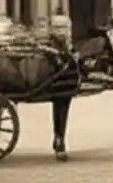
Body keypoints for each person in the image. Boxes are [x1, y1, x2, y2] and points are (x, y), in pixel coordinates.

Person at [44, 15, 77, 161]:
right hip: (58, 86)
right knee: (61, 109)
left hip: (57, 84)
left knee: (61, 109)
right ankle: (59, 140)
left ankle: (58, 139)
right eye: (58, 28)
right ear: (51, 29)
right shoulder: (55, 50)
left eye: (64, 28)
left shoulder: (61, 47)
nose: (62, 31)